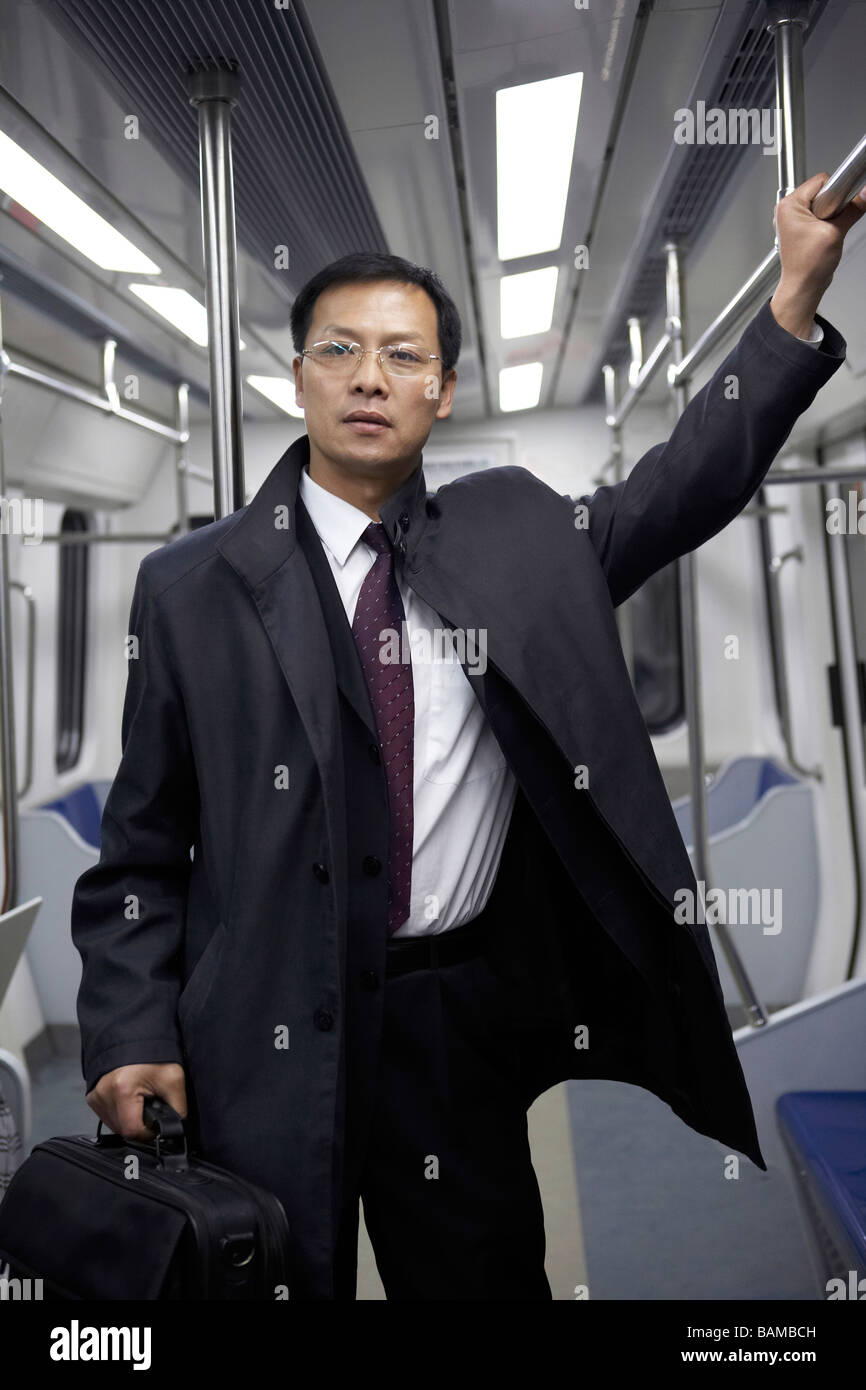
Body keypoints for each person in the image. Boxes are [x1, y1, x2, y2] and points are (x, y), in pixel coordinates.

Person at [73, 172, 864, 1300]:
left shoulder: (520, 533)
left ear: (441, 392)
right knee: (265, 1284)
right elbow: (141, 850)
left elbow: (681, 485)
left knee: (482, 1284)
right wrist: (123, 1027)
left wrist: (791, 295)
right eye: (340, 350)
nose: (368, 377)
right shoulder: (190, 587)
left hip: (450, 1019)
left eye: (403, 356)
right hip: (261, 1023)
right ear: (296, 376)